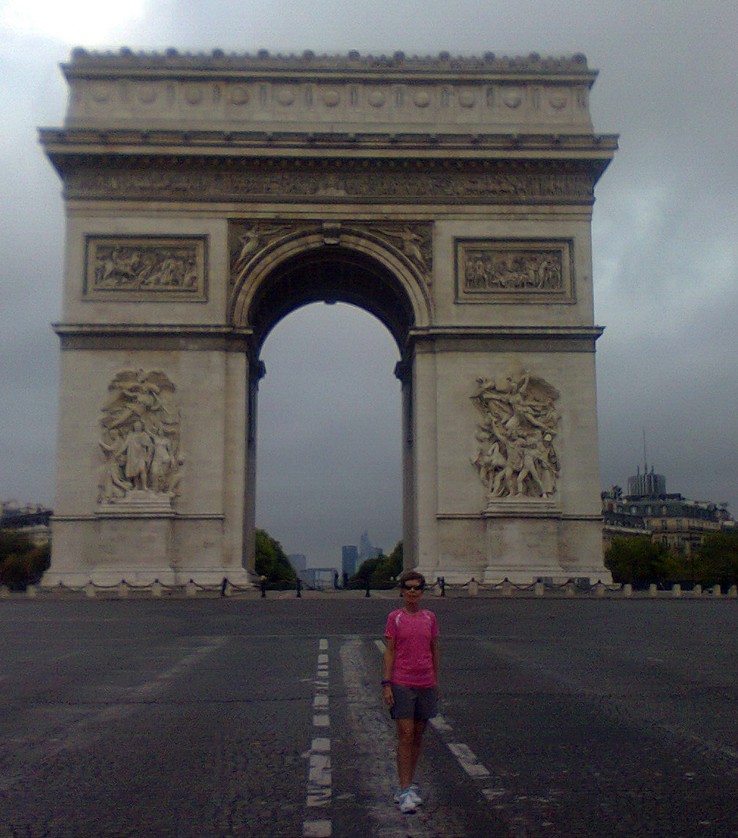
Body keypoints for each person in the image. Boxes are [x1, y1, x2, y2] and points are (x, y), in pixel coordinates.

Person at [382, 570, 440, 814]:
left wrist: (435, 681)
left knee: (417, 735)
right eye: (409, 587)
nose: (413, 591)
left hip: (425, 681)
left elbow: (434, 649)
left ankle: (407, 785)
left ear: (422, 591)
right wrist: (387, 683)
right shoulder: (394, 617)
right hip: (402, 682)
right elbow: (390, 651)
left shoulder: (430, 618)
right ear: (402, 591)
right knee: (406, 734)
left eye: (417, 587)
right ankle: (405, 788)